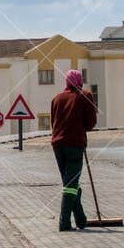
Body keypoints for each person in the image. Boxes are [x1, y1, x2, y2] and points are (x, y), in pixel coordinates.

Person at [49, 69, 97, 231]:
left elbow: (53, 122)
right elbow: (91, 123)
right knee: (70, 184)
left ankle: (81, 220)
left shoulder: (56, 99)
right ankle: (64, 222)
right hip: (75, 145)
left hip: (57, 145)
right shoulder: (86, 96)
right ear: (80, 81)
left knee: (69, 183)